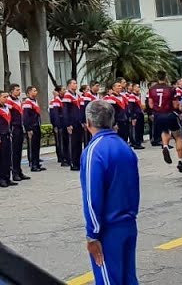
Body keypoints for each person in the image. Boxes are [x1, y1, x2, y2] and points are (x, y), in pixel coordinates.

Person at [80, 99, 140, 285]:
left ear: (88, 122)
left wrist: (92, 234)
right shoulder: (124, 146)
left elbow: (92, 197)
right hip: (128, 222)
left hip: (108, 229)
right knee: (128, 279)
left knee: (108, 280)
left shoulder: (94, 151)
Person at [146, 72, 182, 173]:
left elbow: (150, 104)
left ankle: (165, 146)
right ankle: (180, 161)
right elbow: (175, 104)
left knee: (164, 131)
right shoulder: (171, 89)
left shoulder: (152, 89)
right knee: (178, 136)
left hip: (158, 115)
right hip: (169, 113)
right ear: (166, 77)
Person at [0, 91, 15, 187]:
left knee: (8, 157)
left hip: (7, 134)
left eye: (7, 97)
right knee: (1, 158)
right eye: (4, 97)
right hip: (1, 135)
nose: (6, 99)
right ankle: (1, 179)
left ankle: (7, 177)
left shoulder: (6, 107)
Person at [63, 80, 85, 171]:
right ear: (69, 85)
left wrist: (83, 121)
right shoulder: (67, 96)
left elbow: (82, 109)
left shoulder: (78, 96)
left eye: (76, 83)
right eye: (73, 83)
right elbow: (65, 111)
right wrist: (68, 124)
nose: (75, 85)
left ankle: (78, 162)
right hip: (72, 123)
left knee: (79, 144)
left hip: (79, 123)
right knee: (73, 144)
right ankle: (73, 163)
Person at [7, 84, 28, 181]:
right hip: (14, 128)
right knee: (14, 152)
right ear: (12, 91)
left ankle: (19, 171)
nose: (19, 91)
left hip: (20, 127)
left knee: (19, 151)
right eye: (17, 90)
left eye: (19, 90)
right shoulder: (9, 101)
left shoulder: (18, 101)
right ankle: (14, 173)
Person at [24, 86, 46, 170]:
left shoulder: (34, 101)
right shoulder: (27, 102)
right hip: (32, 126)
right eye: (34, 91)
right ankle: (33, 164)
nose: (36, 92)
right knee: (32, 146)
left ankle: (36, 163)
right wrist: (28, 128)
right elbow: (26, 117)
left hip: (36, 125)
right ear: (29, 92)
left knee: (37, 146)